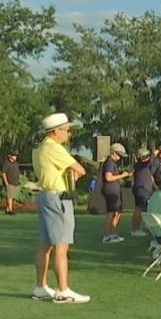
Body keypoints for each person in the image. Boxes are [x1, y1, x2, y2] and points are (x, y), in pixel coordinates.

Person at [31, 112, 91, 302]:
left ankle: (40, 287)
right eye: (66, 130)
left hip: (44, 196)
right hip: (58, 198)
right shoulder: (55, 148)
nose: (69, 133)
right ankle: (63, 290)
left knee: (45, 245)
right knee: (61, 245)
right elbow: (81, 169)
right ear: (56, 132)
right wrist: (73, 174)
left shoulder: (39, 148)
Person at [99, 143, 132, 242]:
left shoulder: (112, 163)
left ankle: (112, 234)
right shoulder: (109, 162)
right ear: (113, 152)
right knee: (111, 212)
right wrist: (122, 176)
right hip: (110, 190)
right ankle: (107, 236)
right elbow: (108, 177)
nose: (120, 157)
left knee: (117, 212)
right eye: (119, 154)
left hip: (114, 190)